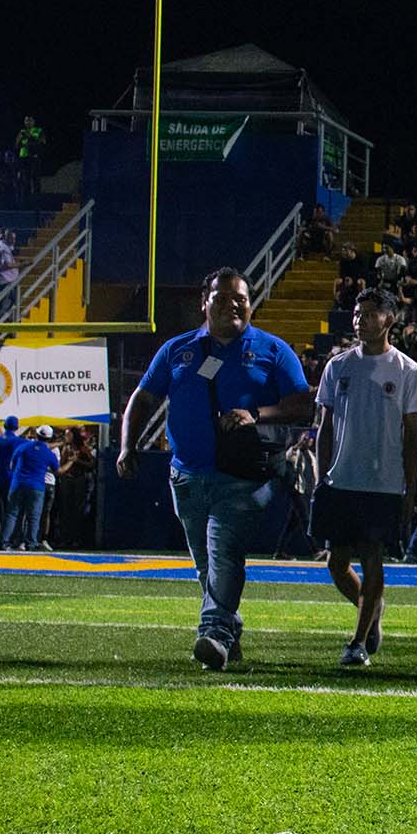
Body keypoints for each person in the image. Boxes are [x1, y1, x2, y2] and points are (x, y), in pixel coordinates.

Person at [117, 266, 315, 670]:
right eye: (222, 298)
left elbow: (303, 404)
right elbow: (144, 398)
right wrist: (127, 445)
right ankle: (229, 625)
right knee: (206, 564)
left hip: (245, 475)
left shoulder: (273, 349)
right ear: (204, 303)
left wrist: (256, 413)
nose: (233, 305)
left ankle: (214, 634)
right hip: (187, 475)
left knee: (223, 552)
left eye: (240, 298)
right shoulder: (177, 349)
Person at [313, 288, 417, 666]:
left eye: (370, 313)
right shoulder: (338, 365)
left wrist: (410, 488)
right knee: (336, 563)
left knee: (373, 557)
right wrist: (320, 473)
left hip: (383, 482)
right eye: (358, 313)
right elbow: (324, 427)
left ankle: (358, 641)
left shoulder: (407, 370)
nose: (361, 320)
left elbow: (412, 435)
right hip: (341, 479)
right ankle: (372, 607)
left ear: (389, 320)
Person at [1, 426, 58, 550]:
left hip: (18, 483)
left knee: (12, 514)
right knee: (34, 516)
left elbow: (12, 464)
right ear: (49, 438)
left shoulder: (24, 446)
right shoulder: (48, 453)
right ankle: (30, 543)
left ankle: (5, 541)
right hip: (37, 486)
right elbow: (56, 469)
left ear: (36, 435)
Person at [271, 430, 320, 559]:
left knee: (291, 525)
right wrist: (298, 444)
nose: (308, 441)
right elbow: (287, 457)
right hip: (296, 490)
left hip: (307, 492)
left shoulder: (311, 455)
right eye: (306, 438)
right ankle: (316, 550)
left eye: (309, 439)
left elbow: (314, 474)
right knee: (305, 521)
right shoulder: (295, 452)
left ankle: (279, 551)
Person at [0, 417, 22, 545]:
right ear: (16, 427)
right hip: (9, 480)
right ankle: (6, 540)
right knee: (10, 512)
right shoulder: (17, 441)